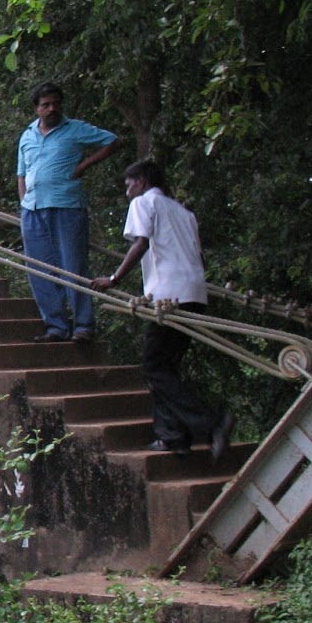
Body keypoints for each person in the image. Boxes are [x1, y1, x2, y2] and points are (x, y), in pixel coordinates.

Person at [91, 160, 235, 463]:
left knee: (154, 366)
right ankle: (172, 437)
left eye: (129, 184)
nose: (127, 191)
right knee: (165, 367)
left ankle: (212, 423)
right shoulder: (183, 211)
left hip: (169, 295)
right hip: (195, 293)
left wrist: (115, 278)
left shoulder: (145, 202)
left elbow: (141, 243)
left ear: (141, 181)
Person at [17, 81, 120, 342]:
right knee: (39, 269)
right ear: (36, 109)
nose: (52, 109)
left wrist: (84, 165)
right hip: (33, 210)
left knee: (72, 266)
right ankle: (56, 327)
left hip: (67, 206)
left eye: (55, 104)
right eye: (46, 105)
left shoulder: (74, 129)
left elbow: (111, 141)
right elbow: (21, 172)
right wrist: (23, 201)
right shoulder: (27, 135)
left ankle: (84, 325)